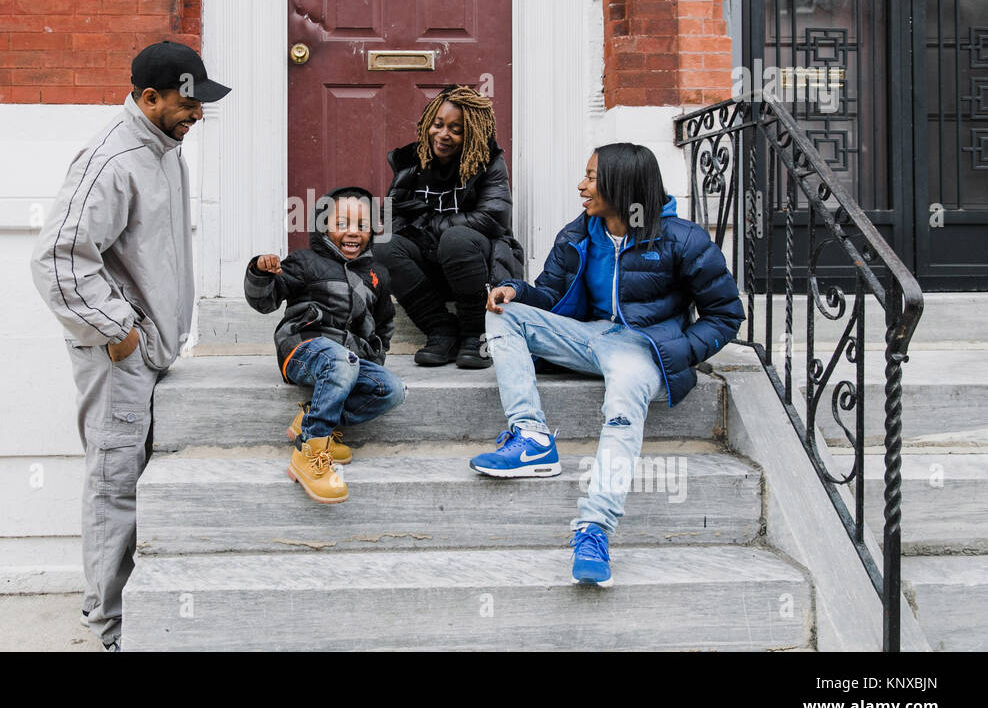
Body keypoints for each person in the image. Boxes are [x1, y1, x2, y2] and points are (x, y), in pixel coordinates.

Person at [29, 39, 230, 651]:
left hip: (149, 353)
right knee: (116, 482)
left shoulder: (165, 150)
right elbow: (57, 262)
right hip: (121, 358)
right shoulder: (113, 159)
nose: (198, 115)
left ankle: (135, 611)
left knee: (137, 479)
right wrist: (122, 332)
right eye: (188, 104)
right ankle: (110, 629)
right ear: (148, 98)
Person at [468, 142, 743, 587]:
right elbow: (550, 295)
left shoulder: (683, 239)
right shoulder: (580, 234)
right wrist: (516, 291)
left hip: (642, 348)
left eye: (592, 177)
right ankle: (532, 437)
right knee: (502, 312)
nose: (582, 186)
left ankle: (595, 528)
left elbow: (725, 315)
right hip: (589, 336)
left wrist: (677, 353)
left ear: (623, 184)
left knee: (622, 408)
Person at [245, 187, 406, 504]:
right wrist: (260, 274)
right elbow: (265, 301)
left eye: (362, 225)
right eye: (342, 223)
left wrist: (376, 353)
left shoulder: (376, 274)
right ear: (323, 227)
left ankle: (312, 420)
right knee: (341, 361)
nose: (352, 232)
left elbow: (385, 321)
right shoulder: (306, 261)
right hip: (303, 348)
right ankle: (310, 451)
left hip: (348, 358)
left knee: (392, 388)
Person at [373, 85, 524, 369]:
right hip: (431, 265)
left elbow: (492, 218)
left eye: (456, 129)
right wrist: (421, 232)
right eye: (438, 124)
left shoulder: (488, 162)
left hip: (476, 264)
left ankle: (475, 333)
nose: (443, 134)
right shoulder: (411, 163)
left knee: (456, 239)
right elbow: (392, 218)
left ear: (472, 134)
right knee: (383, 244)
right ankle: (441, 330)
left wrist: (426, 224)